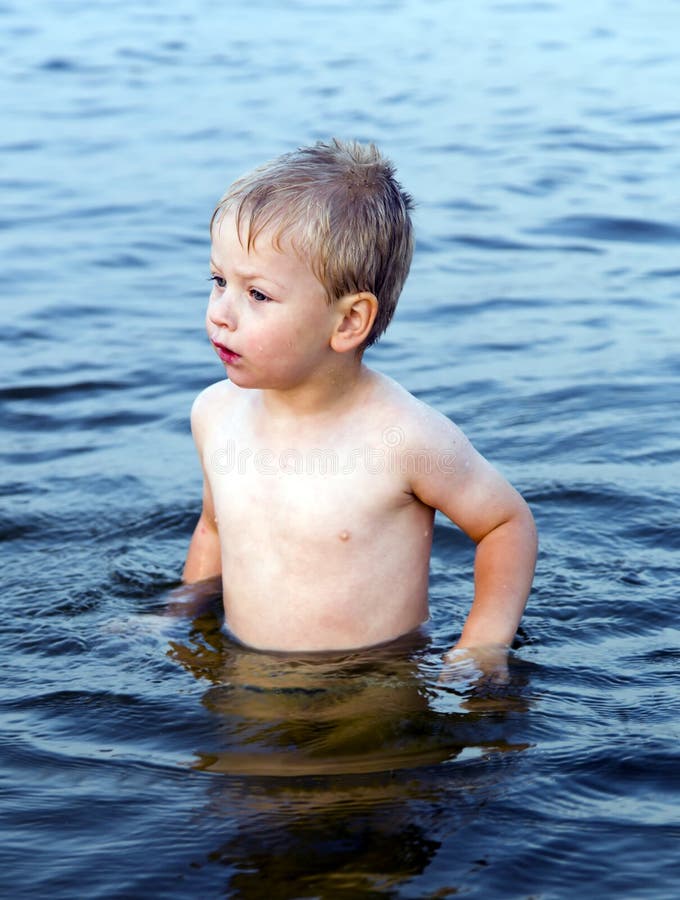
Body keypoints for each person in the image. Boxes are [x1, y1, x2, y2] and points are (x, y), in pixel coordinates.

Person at [180, 138, 537, 672]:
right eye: (218, 281)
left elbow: (506, 524)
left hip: (374, 680)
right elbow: (213, 527)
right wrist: (178, 614)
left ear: (348, 321)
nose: (220, 313)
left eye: (257, 295)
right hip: (247, 673)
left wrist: (482, 646)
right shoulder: (215, 415)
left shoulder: (403, 439)